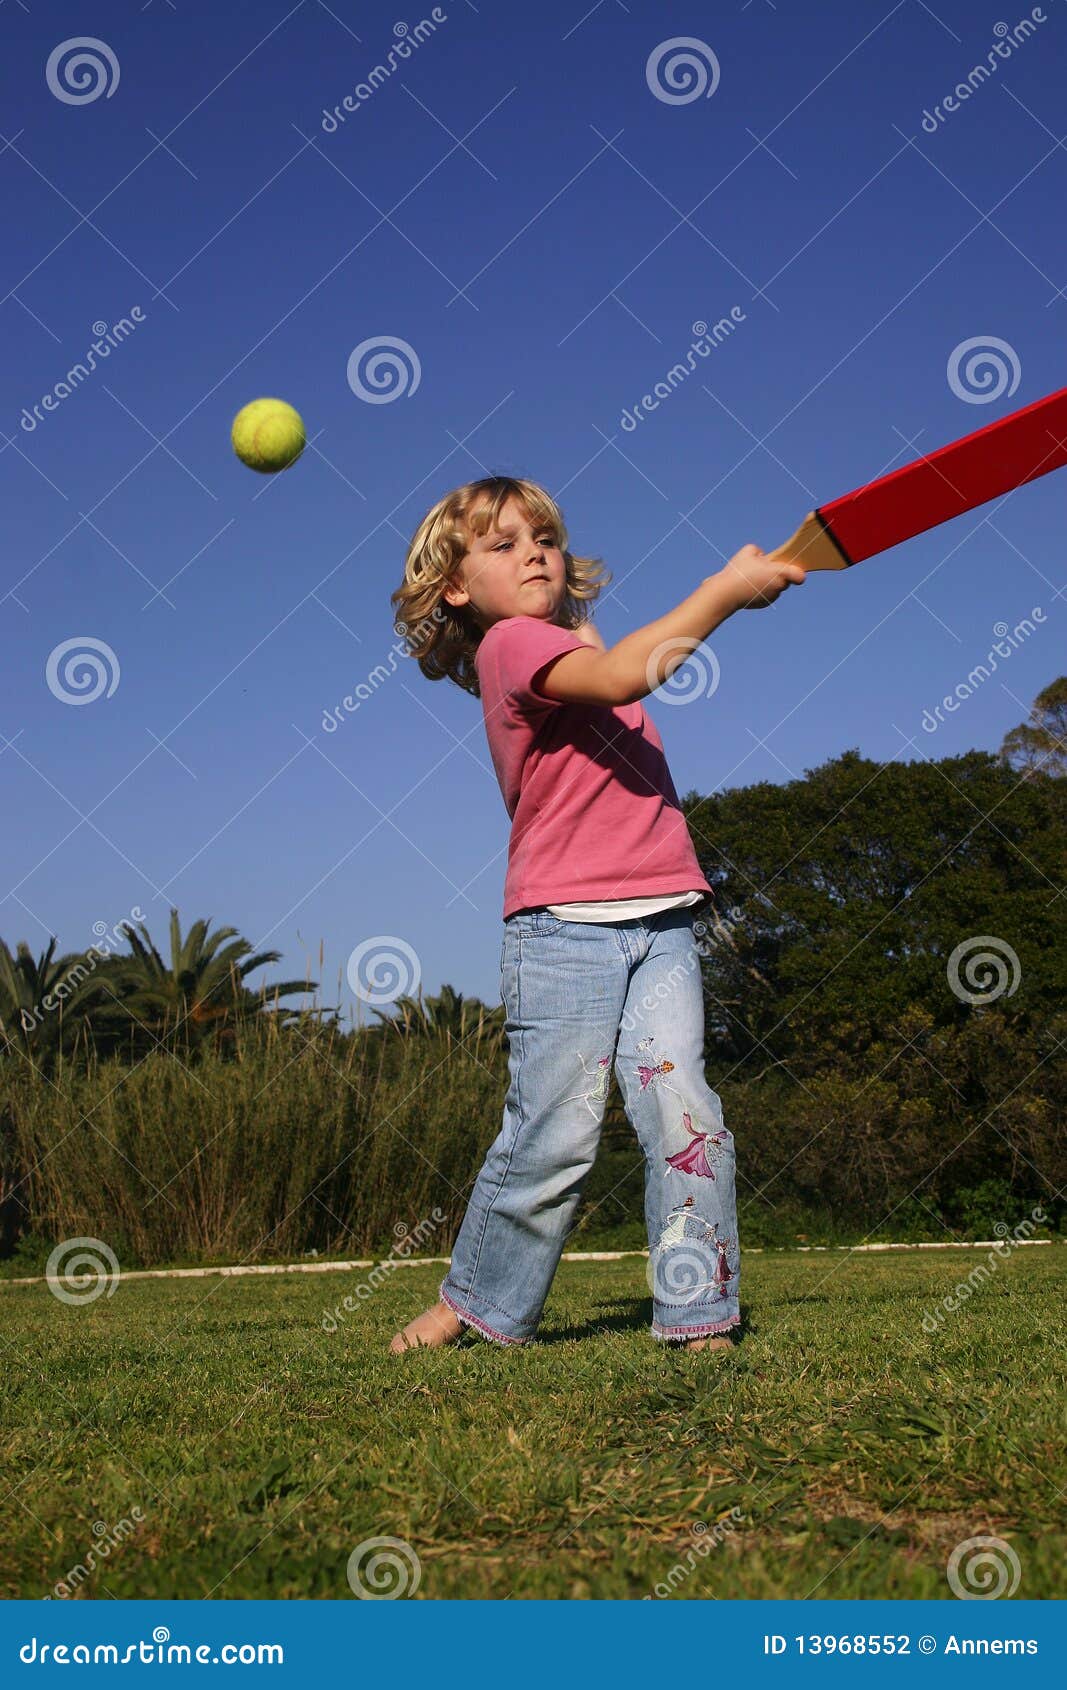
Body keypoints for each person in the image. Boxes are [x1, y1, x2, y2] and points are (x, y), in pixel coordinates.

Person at [387, 476, 805, 1353]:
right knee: (556, 1132)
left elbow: (607, 653)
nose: (532, 550)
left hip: (662, 919)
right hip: (563, 927)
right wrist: (726, 591)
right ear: (457, 589)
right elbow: (623, 676)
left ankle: (698, 1316)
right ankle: (475, 1303)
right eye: (501, 544)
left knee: (686, 1116)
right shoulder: (508, 646)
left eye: (543, 535)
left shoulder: (567, 638)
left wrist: (585, 603)